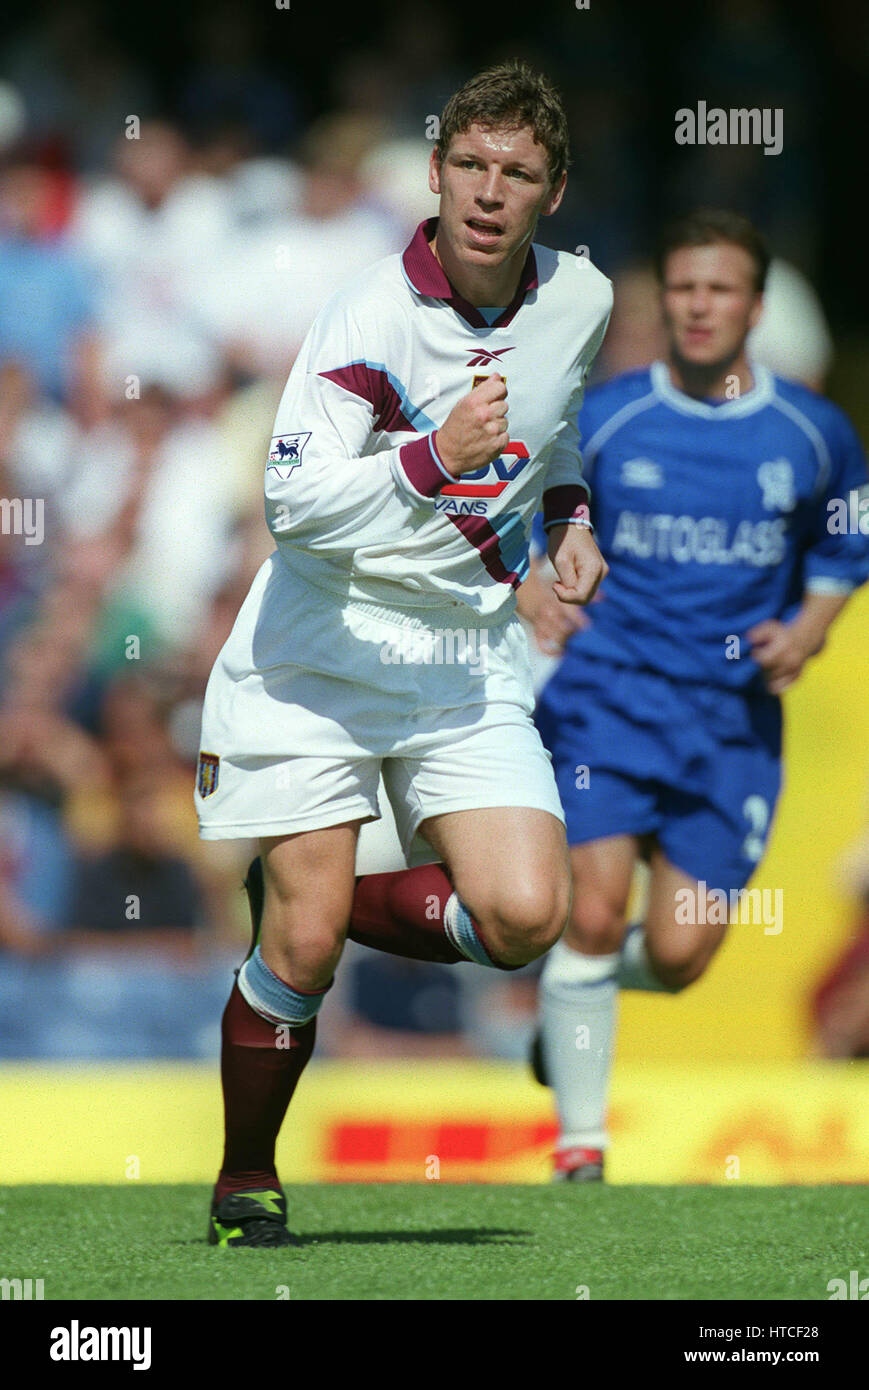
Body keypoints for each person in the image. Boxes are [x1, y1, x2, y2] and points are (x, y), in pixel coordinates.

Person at [195, 60, 613, 1245]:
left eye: (516, 173)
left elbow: (559, 412)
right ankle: (243, 1178)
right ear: (433, 174)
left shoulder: (578, 298)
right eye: (469, 165)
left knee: (530, 914)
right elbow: (289, 502)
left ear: (553, 192)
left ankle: (296, 895)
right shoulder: (366, 316)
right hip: (320, 646)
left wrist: (572, 519)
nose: (488, 191)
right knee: (307, 951)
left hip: (461, 654)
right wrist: (431, 455)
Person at [521, 208, 869, 1180]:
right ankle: (579, 1148)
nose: (699, 306)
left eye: (718, 289)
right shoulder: (603, 416)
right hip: (605, 701)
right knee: (589, 911)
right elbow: (519, 516)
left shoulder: (811, 432)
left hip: (727, 725)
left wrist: (808, 627)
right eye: (681, 289)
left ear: (753, 306)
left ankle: (570, 1000)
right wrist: (533, 591)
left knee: (678, 954)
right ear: (661, 303)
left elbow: (846, 545)